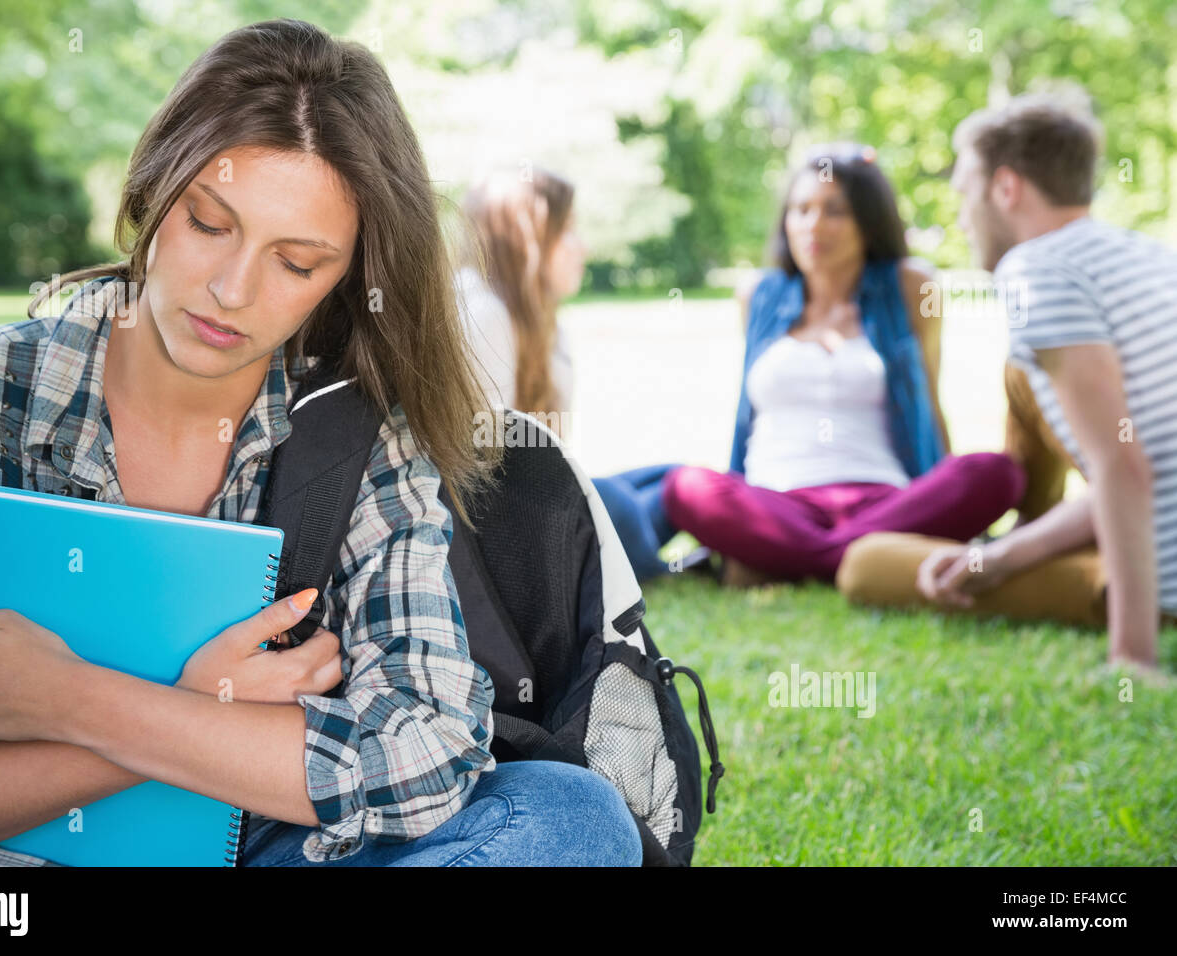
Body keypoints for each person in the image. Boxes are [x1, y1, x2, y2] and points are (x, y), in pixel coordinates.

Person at [0, 18, 642, 867]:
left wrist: (72, 700)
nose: (232, 290)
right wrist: (210, 703)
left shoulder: (359, 428)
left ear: (345, 278)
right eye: (209, 223)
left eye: (297, 263)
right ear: (152, 188)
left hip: (274, 845)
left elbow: (428, 756)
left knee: (571, 816)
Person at [837, 93, 1177, 670]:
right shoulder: (1145, 256)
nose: (961, 216)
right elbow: (1144, 471)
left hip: (1151, 576)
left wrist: (1132, 658)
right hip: (1140, 531)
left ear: (1006, 187)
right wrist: (1001, 558)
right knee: (972, 559)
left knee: (868, 564)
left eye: (964, 192)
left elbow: (1123, 467)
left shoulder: (1034, 271)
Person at [659, 144, 1026, 585]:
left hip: (884, 500)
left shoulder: (913, 286)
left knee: (996, 473)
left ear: (869, 222)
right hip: (775, 504)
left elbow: (930, 398)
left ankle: (791, 561)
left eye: (835, 211)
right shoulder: (757, 294)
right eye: (801, 210)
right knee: (685, 485)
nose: (813, 225)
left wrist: (945, 485)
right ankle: (862, 558)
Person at [456, 169, 688, 581]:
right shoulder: (482, 312)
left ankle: (638, 539)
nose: (582, 247)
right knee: (617, 502)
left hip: (541, 502)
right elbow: (485, 471)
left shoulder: (540, 318)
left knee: (676, 478)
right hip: (507, 525)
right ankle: (655, 563)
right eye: (568, 231)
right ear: (526, 239)